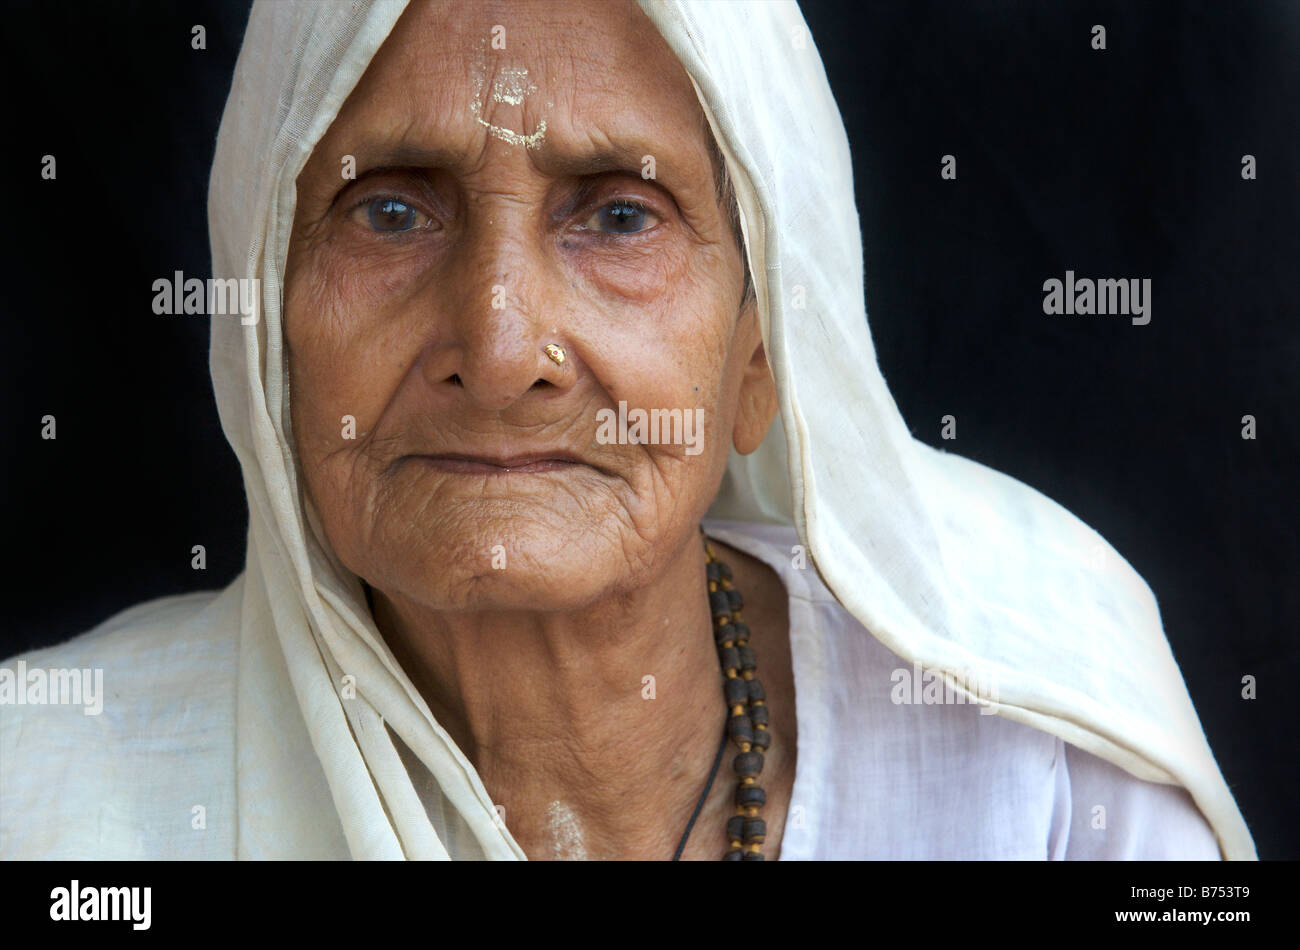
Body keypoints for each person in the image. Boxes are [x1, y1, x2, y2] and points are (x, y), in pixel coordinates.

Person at [0, 0, 1256, 860]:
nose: (498, 354)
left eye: (617, 217)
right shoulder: (48, 793)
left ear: (760, 355)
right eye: (388, 212)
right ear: (265, 327)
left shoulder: (1041, 755)